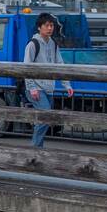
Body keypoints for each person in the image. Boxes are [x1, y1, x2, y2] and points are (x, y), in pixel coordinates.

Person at [24, 13, 75, 148]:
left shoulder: (53, 44)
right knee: (45, 116)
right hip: (35, 88)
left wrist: (66, 84)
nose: (50, 28)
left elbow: (60, 64)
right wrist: (32, 87)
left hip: (48, 87)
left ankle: (37, 149)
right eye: (46, 25)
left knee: (45, 118)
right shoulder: (33, 44)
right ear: (39, 28)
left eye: (51, 25)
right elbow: (25, 67)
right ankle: (35, 149)